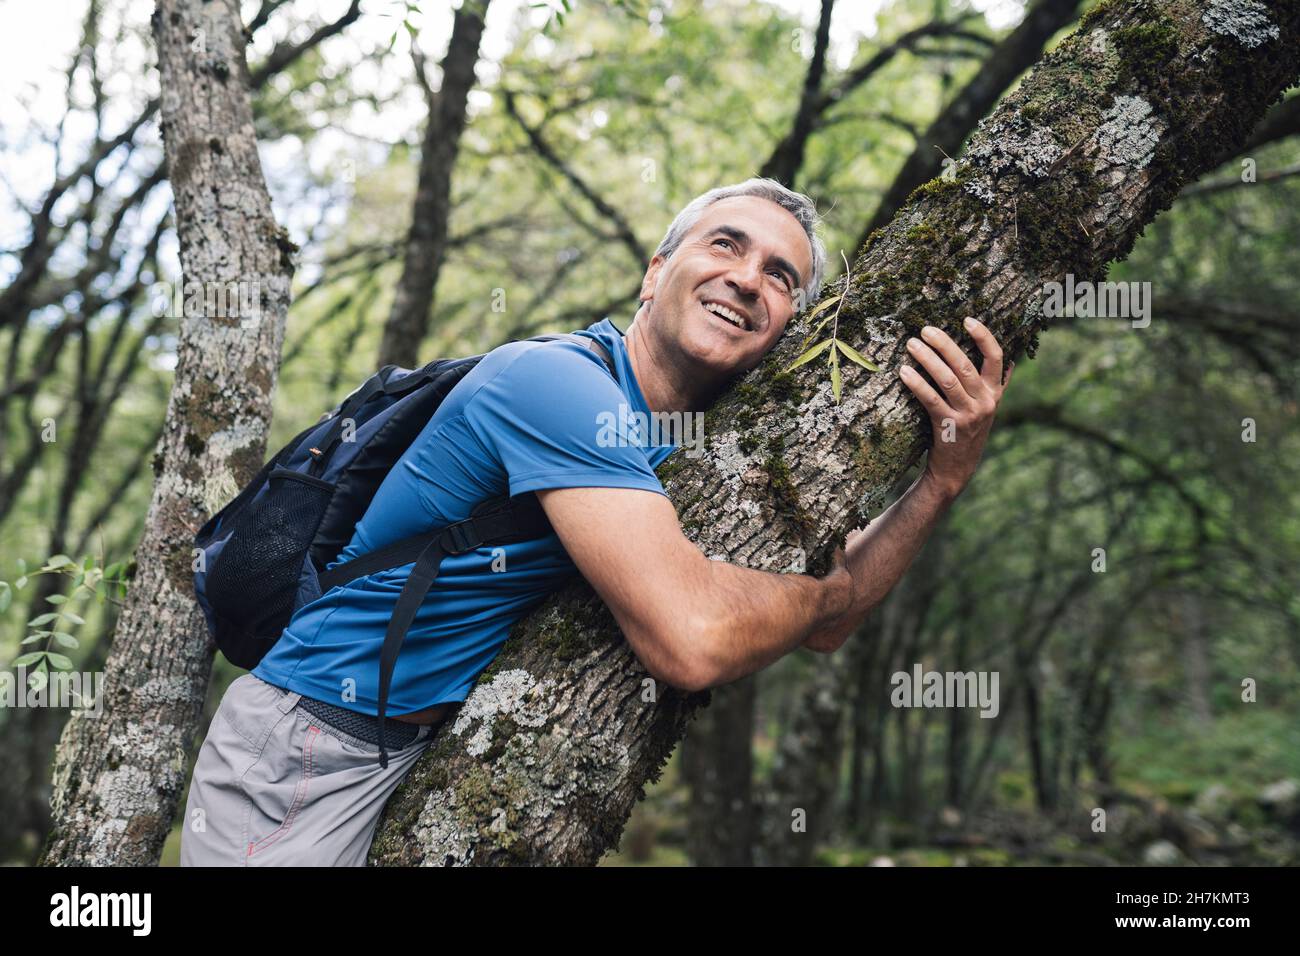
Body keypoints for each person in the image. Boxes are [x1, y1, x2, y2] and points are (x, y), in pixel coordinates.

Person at [179, 177, 1012, 866]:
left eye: (782, 277)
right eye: (724, 244)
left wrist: (940, 483)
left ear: (791, 330)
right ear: (656, 273)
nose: (749, 278)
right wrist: (822, 597)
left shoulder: (709, 448)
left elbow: (828, 622)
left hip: (417, 750)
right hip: (307, 748)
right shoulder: (556, 387)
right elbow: (695, 640)